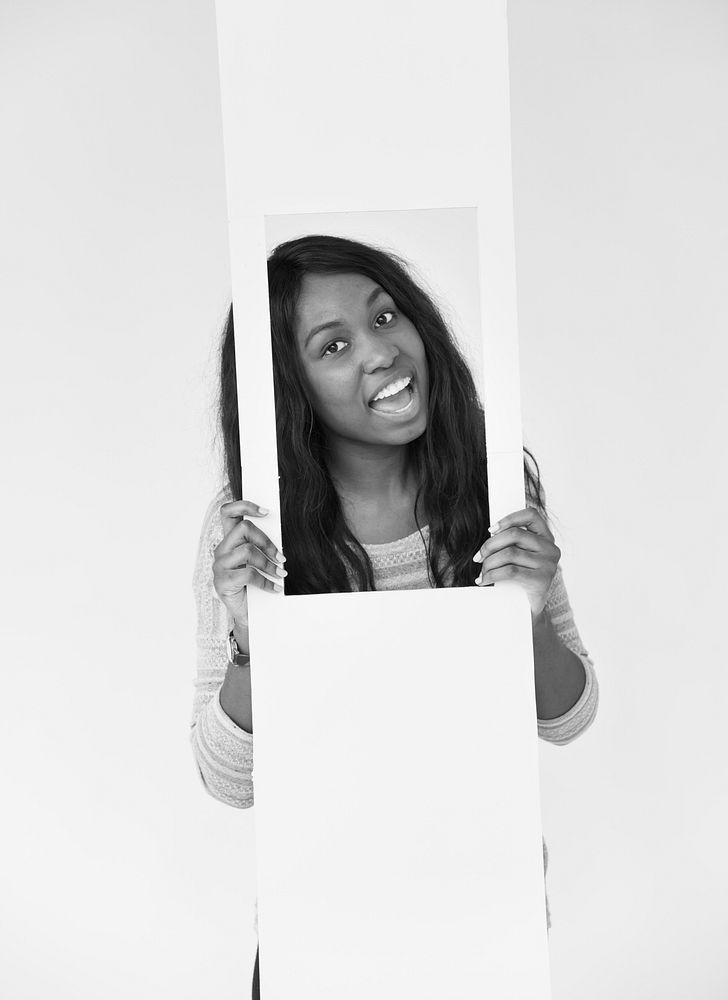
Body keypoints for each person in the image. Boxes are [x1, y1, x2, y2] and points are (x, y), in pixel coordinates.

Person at [190, 235, 599, 998]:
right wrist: (250, 639)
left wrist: (533, 614)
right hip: (321, 927)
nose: (380, 352)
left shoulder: (492, 492)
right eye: (333, 344)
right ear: (288, 387)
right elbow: (228, 781)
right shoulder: (251, 530)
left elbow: (568, 718)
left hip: (487, 911)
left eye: (385, 317)